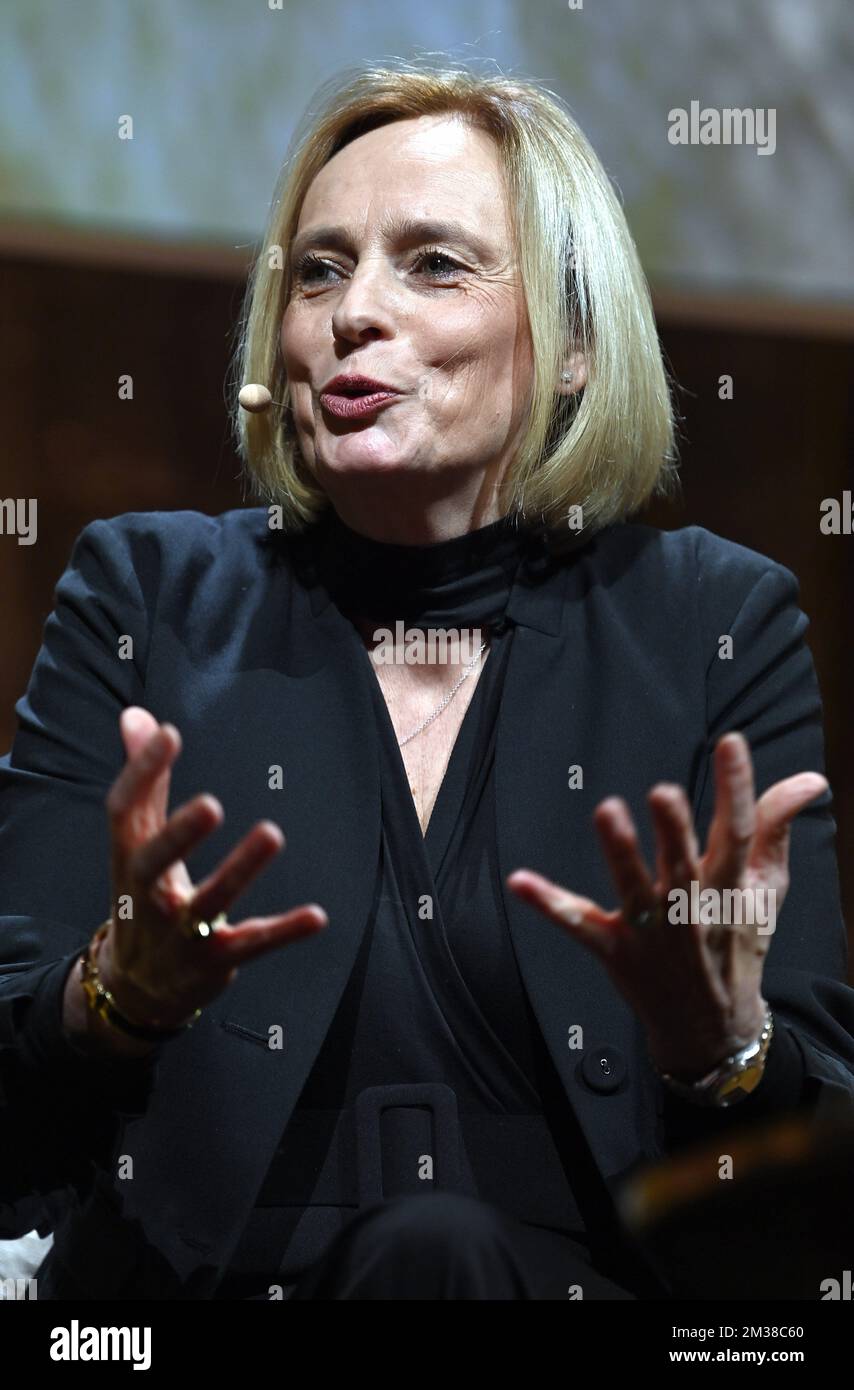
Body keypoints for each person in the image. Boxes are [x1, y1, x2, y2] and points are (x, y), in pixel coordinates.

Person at [1, 61, 853, 1302]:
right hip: (191, 1300)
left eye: (435, 265)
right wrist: (111, 998)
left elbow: (812, 1165)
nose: (353, 313)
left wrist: (717, 1046)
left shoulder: (706, 620)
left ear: (569, 348)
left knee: (439, 1253)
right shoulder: (146, 596)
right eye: (319, 268)